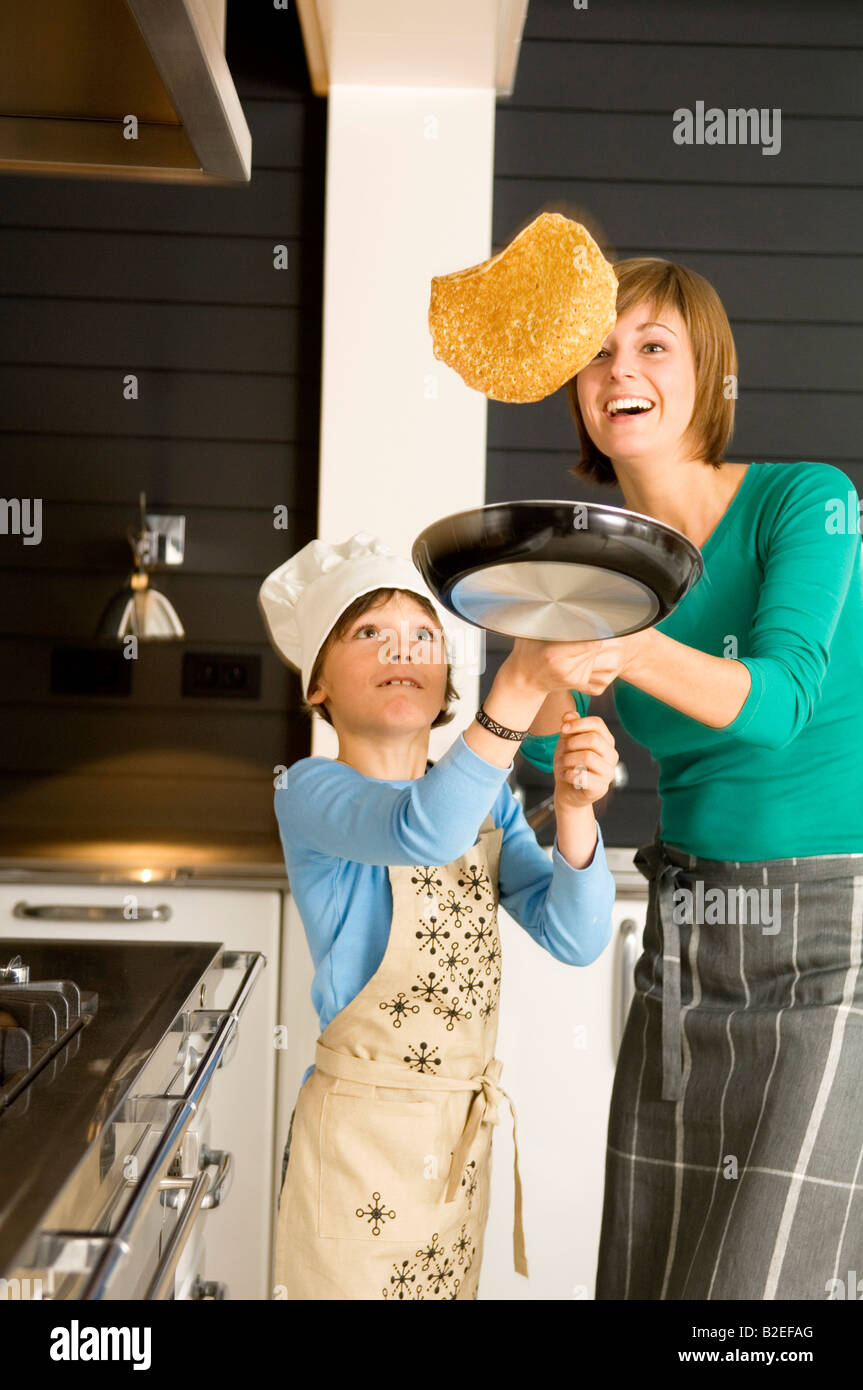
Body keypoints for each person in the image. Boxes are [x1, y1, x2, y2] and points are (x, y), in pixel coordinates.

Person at [518, 256, 863, 1300]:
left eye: (651, 345)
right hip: (686, 942)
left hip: (832, 942)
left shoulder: (806, 503)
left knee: (763, 1294)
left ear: (709, 375)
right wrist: (535, 652)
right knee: (653, 1283)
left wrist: (608, 628)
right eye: (594, 351)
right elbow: (544, 758)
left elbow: (775, 702)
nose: (619, 367)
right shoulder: (586, 560)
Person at [257, 532, 618, 1300]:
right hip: (358, 1145)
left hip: (456, 1145)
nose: (403, 648)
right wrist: (518, 688)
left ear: (446, 677)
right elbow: (418, 831)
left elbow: (576, 937)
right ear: (316, 685)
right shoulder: (311, 791)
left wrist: (577, 811)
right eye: (368, 633)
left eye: (424, 635)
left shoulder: (483, 795)